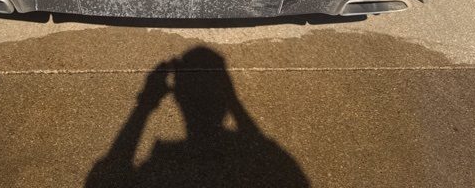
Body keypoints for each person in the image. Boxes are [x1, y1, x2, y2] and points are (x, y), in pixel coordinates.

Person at [86, 46, 310, 187]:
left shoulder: (165, 162)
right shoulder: (277, 159)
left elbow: (109, 171)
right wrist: (232, 98)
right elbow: (262, 153)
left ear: (176, 97)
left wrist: (145, 105)